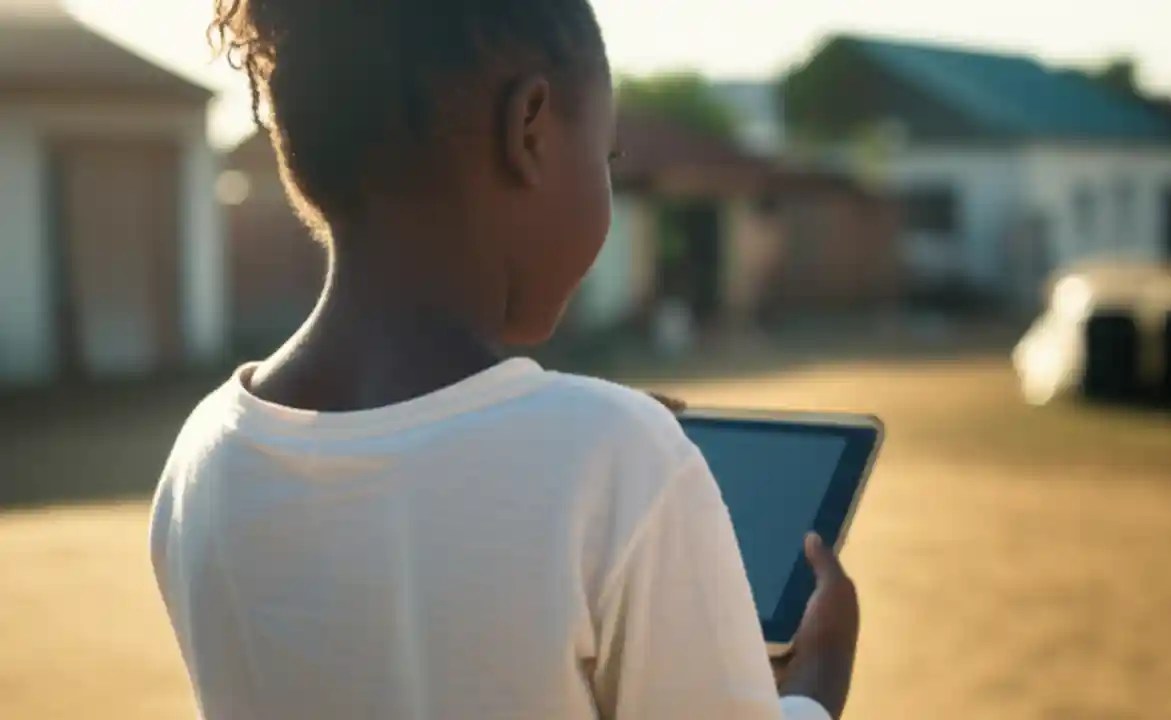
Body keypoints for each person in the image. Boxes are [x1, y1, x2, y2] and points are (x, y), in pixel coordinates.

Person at [149, 1, 860, 717]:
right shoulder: (617, 459)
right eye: (607, 157)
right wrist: (814, 686)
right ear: (530, 129)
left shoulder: (202, 461)